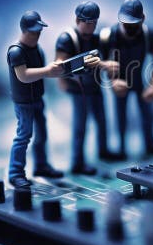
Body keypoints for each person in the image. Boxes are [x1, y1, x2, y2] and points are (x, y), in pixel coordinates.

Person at [7, 11, 98, 188]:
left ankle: (41, 166)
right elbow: (23, 76)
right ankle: (15, 173)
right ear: (24, 30)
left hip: (38, 99)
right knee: (23, 136)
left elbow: (44, 72)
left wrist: (66, 70)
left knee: (42, 134)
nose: (37, 34)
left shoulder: (37, 49)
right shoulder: (16, 52)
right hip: (24, 103)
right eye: (34, 31)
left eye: (39, 31)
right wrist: (48, 71)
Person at [55, 1, 122, 176]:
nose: (91, 26)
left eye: (94, 22)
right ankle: (77, 162)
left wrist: (110, 73)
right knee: (81, 127)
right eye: (88, 22)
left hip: (95, 86)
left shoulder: (97, 38)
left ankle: (103, 151)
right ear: (78, 20)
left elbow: (105, 60)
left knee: (102, 121)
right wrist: (100, 62)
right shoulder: (67, 39)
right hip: (79, 90)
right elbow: (61, 66)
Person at [100, 0, 153, 158]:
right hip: (119, 82)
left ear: (142, 19)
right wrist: (113, 81)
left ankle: (150, 145)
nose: (129, 29)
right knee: (120, 116)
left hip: (139, 82)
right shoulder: (108, 36)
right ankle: (121, 148)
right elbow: (102, 63)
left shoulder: (150, 33)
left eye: (133, 24)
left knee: (147, 114)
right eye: (126, 24)